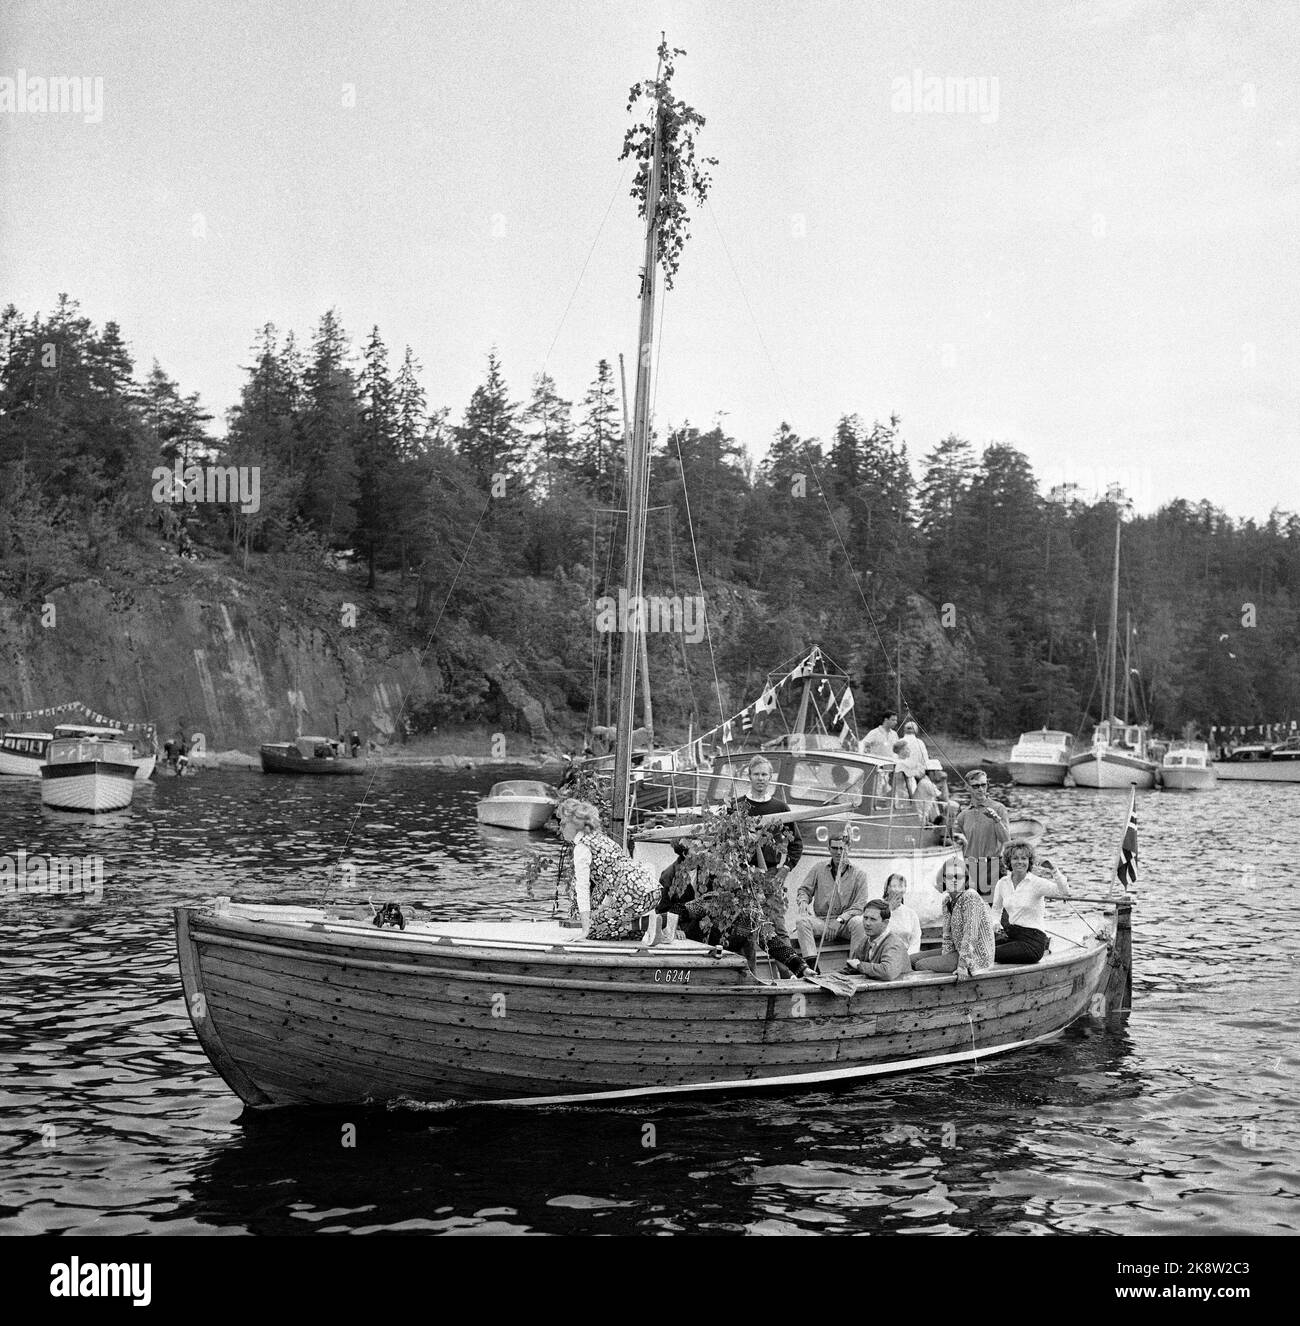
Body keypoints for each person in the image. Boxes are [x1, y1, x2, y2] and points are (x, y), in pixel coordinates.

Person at [727, 757, 812, 979]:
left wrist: (785, 869)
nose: (760, 779)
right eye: (756, 774)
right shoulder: (737, 807)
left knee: (776, 925)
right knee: (743, 928)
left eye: (765, 775)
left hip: (770, 875)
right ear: (749, 776)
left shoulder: (780, 808)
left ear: (770, 777)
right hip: (742, 875)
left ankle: (789, 974)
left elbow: (796, 844)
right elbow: (724, 842)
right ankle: (748, 976)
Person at [556, 798, 659, 940]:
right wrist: (603, 909)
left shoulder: (582, 847)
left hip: (633, 896)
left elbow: (583, 888)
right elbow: (613, 882)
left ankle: (649, 924)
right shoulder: (602, 839)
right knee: (611, 924)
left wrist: (585, 931)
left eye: (563, 823)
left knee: (593, 929)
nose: (560, 828)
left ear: (576, 824)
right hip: (651, 891)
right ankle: (657, 924)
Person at [794, 831, 870, 972]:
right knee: (801, 921)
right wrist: (803, 901)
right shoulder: (818, 868)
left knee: (860, 922)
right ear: (828, 849)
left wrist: (840, 920)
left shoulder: (860, 874)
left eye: (842, 848)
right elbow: (804, 890)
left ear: (849, 849)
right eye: (835, 848)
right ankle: (812, 968)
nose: (838, 852)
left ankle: (853, 966)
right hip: (823, 921)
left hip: (846, 924)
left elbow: (860, 906)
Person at [911, 855, 996, 977]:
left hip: (976, 956)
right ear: (944, 879)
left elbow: (971, 934)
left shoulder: (970, 897)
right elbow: (947, 936)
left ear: (965, 878)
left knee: (921, 965)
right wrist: (945, 957)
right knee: (911, 959)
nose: (954, 880)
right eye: (950, 876)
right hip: (957, 950)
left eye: (959, 876)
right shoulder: (947, 900)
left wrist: (962, 965)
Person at [992, 840, 1070, 965]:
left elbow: (1064, 892)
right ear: (1009, 861)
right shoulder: (1003, 883)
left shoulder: (1036, 883)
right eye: (1015, 858)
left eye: (1024, 858)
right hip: (1012, 936)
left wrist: (1054, 870)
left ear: (1029, 862)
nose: (1020, 862)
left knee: (989, 953)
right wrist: (995, 923)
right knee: (980, 946)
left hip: (1033, 942)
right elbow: (996, 909)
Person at [953, 769, 1010, 900]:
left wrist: (997, 820)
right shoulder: (963, 815)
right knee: (971, 913)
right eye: (976, 786)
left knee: (994, 914)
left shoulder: (999, 808)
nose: (980, 789)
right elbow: (956, 844)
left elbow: (1007, 841)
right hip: (971, 866)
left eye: (983, 785)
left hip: (993, 865)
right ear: (967, 788)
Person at [842, 899, 911, 980]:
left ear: (885, 923)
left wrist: (860, 965)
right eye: (865, 918)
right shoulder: (866, 940)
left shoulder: (894, 943)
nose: (867, 923)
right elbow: (851, 969)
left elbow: (888, 972)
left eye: (873, 919)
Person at [883, 873, 921, 956]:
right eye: (894, 886)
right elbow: (877, 934)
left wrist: (907, 957)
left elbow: (915, 940)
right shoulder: (878, 910)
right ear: (887, 889)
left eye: (901, 886)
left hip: (906, 956)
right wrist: (890, 909)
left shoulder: (910, 913)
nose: (897, 890)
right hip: (885, 955)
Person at [893, 720, 929, 793]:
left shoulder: (899, 741)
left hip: (905, 777)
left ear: (904, 730)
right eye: (907, 749)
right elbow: (926, 761)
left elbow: (893, 757)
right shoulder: (920, 743)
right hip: (914, 777)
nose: (909, 750)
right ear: (916, 730)